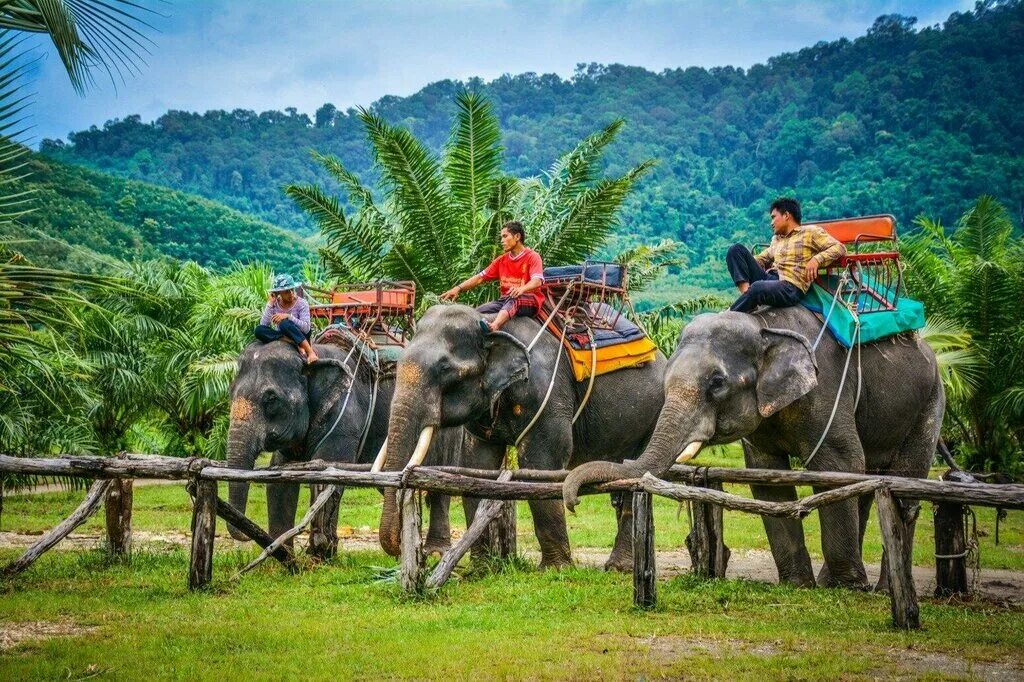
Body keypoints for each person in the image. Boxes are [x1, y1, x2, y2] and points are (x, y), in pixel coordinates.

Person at [726, 197, 846, 313]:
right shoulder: (777, 239)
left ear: (786, 215)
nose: (771, 223)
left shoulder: (810, 232)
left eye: (773, 217)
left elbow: (839, 248)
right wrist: (746, 263)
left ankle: (732, 312)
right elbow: (762, 258)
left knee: (757, 287)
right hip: (770, 279)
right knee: (735, 249)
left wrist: (816, 260)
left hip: (791, 287)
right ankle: (747, 297)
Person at [441, 221, 544, 331]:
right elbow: (480, 278)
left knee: (514, 300)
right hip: (505, 300)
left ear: (517, 237)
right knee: (476, 312)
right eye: (501, 237)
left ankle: (495, 326)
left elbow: (537, 281)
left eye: (505, 236)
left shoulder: (533, 257)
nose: (502, 241)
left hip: (528, 299)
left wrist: (521, 289)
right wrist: (458, 288)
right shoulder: (501, 260)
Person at [254, 274, 319, 364]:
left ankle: (310, 352)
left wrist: (289, 316)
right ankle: (293, 343)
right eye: (287, 291)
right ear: (279, 293)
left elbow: (306, 328)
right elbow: (264, 325)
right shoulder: (274, 304)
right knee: (258, 330)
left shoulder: (302, 303)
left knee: (284, 323)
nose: (291, 293)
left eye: (292, 289)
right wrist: (270, 304)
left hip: (301, 335)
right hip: (284, 337)